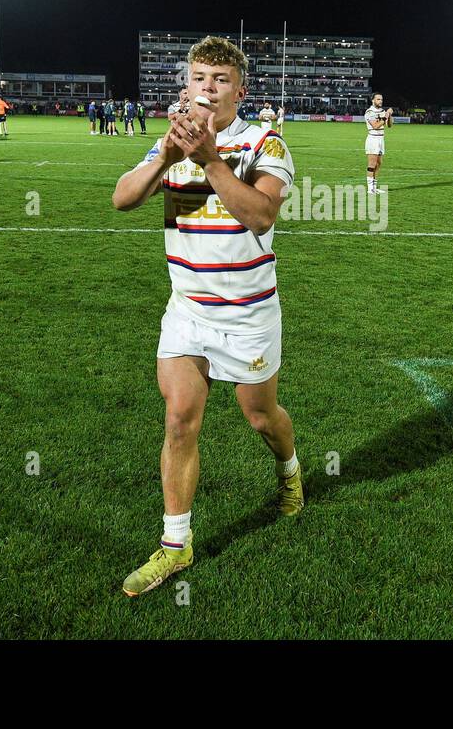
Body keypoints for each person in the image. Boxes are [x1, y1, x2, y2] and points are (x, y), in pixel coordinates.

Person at [111, 35, 300, 598]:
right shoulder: (168, 144)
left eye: (220, 80)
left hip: (248, 314)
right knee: (179, 418)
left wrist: (211, 162)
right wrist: (167, 159)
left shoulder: (266, 144)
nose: (208, 89)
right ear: (186, 86)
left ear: (239, 91)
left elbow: (261, 215)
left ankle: (289, 471)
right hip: (188, 308)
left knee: (261, 417)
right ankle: (176, 545)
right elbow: (122, 199)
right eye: (199, 78)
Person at [365, 93, 390, 194]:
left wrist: (389, 115)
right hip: (373, 139)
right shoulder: (369, 112)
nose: (380, 101)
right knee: (372, 164)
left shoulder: (382, 111)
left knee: (379, 164)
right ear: (373, 100)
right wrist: (385, 117)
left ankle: (374, 187)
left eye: (381, 99)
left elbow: (389, 125)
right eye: (378, 99)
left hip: (381, 139)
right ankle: (370, 189)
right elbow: (375, 126)